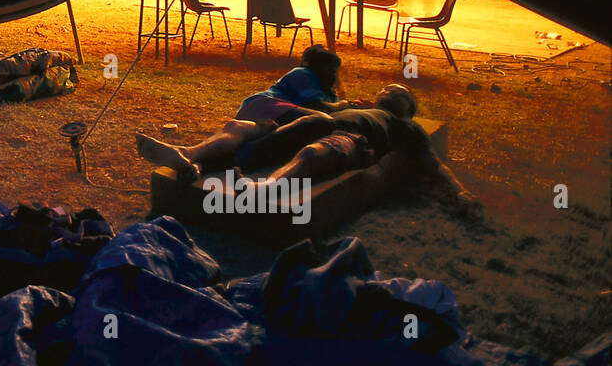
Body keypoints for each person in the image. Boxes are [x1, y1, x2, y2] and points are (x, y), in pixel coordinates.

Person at [138, 84, 477, 210]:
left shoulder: (405, 127)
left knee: (315, 152)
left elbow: (434, 164)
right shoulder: (353, 107)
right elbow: (315, 106)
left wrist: (459, 192)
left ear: (407, 108)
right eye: (389, 87)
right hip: (313, 126)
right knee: (241, 126)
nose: (392, 90)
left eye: (400, 91)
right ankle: (189, 156)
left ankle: (263, 190)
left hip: (349, 142)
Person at [161, 46, 368, 168]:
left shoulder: (324, 89)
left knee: (243, 136)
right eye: (329, 68)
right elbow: (318, 107)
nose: (333, 74)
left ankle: (192, 157)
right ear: (315, 66)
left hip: (258, 109)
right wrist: (345, 105)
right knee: (321, 122)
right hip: (268, 104)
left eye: (334, 70)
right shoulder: (303, 74)